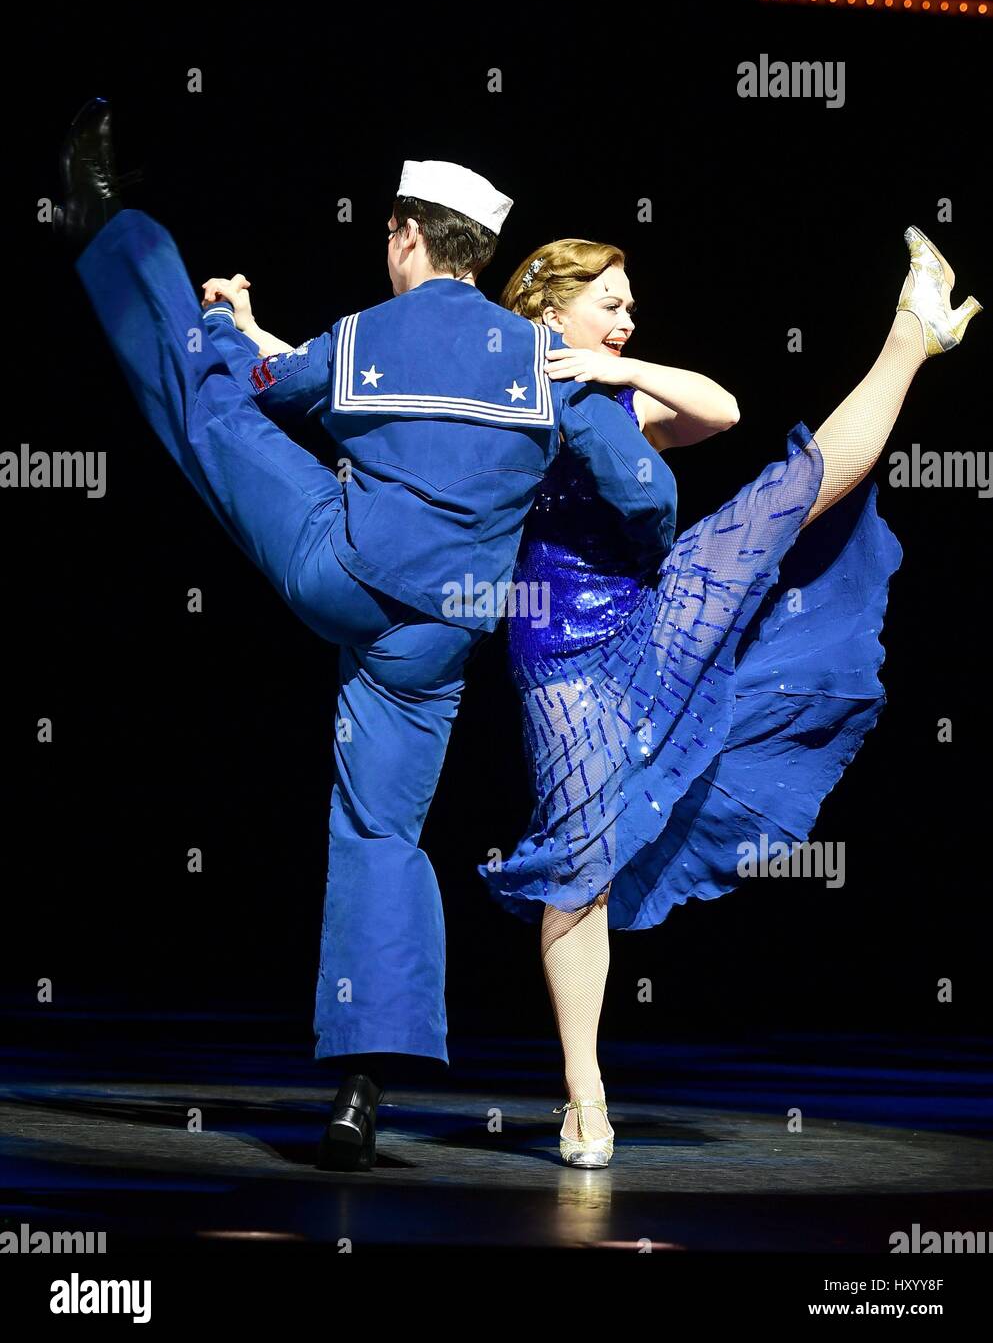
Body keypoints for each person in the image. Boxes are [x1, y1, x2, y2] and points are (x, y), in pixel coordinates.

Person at [53, 98, 684, 1171]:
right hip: (437, 642)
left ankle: (109, 229)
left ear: (404, 234)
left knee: (213, 415)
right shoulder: (541, 366)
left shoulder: (367, 336)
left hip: (334, 569)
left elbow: (267, 385)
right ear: (476, 251)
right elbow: (649, 490)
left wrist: (223, 324)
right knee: (381, 834)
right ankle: (360, 1086)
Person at [480, 231, 982, 1166]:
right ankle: (583, 1097)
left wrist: (600, 362)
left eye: (631, 304)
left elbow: (720, 409)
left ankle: (909, 336)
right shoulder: (493, 389)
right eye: (611, 302)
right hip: (558, 658)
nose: (630, 317)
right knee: (579, 863)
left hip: (649, 614)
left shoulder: (614, 394)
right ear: (547, 302)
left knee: (789, 495)